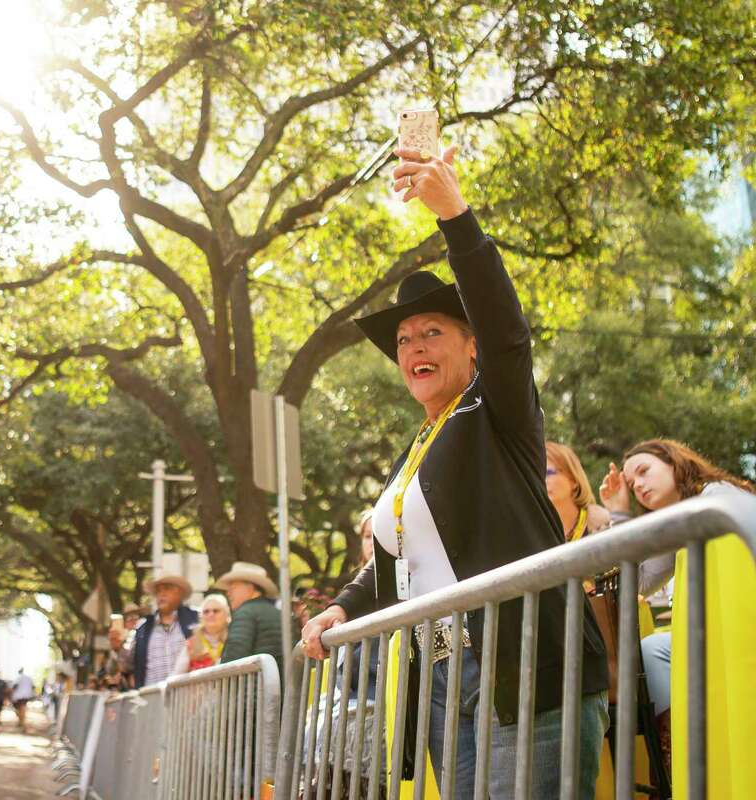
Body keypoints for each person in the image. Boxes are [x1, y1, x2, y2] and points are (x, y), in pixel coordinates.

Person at [300, 147, 610, 798]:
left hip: (521, 661)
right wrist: (339, 608)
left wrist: (455, 219)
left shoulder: (494, 410)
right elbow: (394, 554)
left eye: (432, 332)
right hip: (442, 671)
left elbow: (507, 332)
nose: (413, 346)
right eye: (405, 340)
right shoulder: (415, 448)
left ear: (471, 345)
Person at [600, 438, 756, 790]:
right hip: (713, 638)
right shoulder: (679, 524)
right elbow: (635, 583)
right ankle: (675, 756)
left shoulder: (719, 497)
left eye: (644, 471)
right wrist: (620, 513)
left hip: (742, 632)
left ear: (674, 462)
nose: (638, 484)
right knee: (653, 650)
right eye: (631, 481)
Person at [131, 574, 198, 688]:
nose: (161, 594)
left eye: (167, 588)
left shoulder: (195, 621)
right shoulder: (143, 629)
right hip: (152, 699)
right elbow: (131, 666)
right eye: (158, 591)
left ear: (180, 593)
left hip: (187, 699)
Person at [216, 562, 283, 672]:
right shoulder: (279, 614)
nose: (228, 593)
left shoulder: (245, 612)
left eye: (233, 587)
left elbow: (233, 658)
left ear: (250, 588)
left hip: (255, 687)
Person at [545, 441, 611, 541]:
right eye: (536, 477)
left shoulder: (604, 523)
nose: (541, 481)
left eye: (548, 473)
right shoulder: (534, 531)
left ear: (573, 480)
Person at [171, 593, 230, 675]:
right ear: (201, 617)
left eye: (216, 611)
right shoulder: (191, 644)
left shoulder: (233, 639)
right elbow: (177, 675)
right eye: (206, 611)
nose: (211, 614)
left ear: (226, 614)